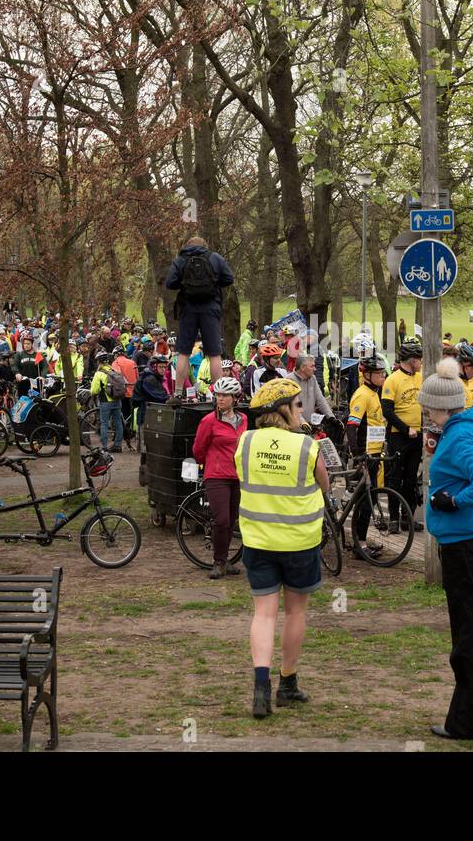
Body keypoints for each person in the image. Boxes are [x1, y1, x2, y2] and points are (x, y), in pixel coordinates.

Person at [420, 357, 473, 741]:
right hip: (471, 540)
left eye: (427, 407)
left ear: (441, 406)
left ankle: (469, 721)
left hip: (464, 542)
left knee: (469, 632)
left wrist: (451, 501)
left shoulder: (460, 435)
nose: (425, 413)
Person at [235, 378, 328, 719]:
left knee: (263, 614)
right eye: (298, 404)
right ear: (285, 409)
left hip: (258, 540)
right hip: (299, 541)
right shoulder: (306, 446)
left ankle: (261, 686)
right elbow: (324, 482)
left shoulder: (244, 442)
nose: (302, 409)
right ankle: (287, 683)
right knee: (295, 613)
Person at [164, 235, 234, 405]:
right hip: (210, 308)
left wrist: (186, 284)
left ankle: (179, 394)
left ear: (187, 245)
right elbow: (229, 278)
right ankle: (220, 393)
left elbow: (170, 283)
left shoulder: (181, 259)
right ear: (205, 246)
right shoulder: (214, 258)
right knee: (214, 353)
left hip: (188, 308)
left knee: (183, 352)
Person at [193, 377, 247, 578]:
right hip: (216, 475)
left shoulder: (243, 420)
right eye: (218, 395)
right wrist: (208, 463)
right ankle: (218, 562)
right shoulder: (209, 421)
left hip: (237, 474)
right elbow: (199, 448)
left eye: (225, 395)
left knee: (232, 520)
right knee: (222, 519)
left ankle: (226, 561)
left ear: (235, 398)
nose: (221, 399)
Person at [346, 354, 390, 559]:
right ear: (368, 375)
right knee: (364, 502)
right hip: (366, 454)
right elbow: (352, 427)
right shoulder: (362, 394)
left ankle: (360, 541)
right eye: (380, 373)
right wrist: (357, 455)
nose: (383, 376)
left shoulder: (375, 393)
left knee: (369, 500)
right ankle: (359, 544)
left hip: (375, 453)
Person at [382, 340, 425, 532]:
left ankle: (407, 517)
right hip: (398, 435)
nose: (421, 363)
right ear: (411, 359)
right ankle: (393, 519)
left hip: (417, 435)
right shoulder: (393, 379)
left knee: (411, 478)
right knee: (395, 477)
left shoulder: (421, 377)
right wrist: (406, 428)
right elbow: (387, 410)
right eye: (419, 359)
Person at [90, 351, 125, 452]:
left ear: (99, 362)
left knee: (104, 423)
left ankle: (104, 447)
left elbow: (94, 390)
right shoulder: (114, 369)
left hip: (106, 401)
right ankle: (118, 445)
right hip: (117, 400)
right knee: (118, 422)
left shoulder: (99, 373)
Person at [289, 354, 334, 425]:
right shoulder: (290, 380)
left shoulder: (312, 378)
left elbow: (320, 400)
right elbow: (292, 405)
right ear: (302, 367)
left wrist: (331, 417)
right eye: (312, 366)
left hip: (310, 424)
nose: (315, 369)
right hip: (295, 426)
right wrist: (302, 422)